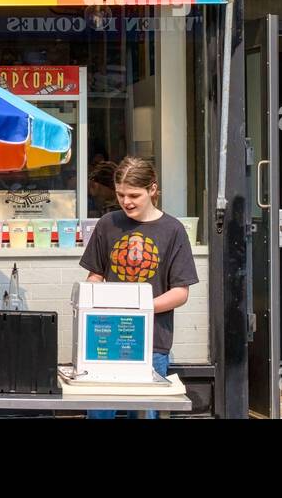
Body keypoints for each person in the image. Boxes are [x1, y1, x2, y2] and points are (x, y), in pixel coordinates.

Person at [79, 156, 198, 418]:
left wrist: (139, 309)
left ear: (152, 189)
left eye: (134, 195)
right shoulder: (107, 224)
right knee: (100, 411)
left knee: (144, 413)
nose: (126, 201)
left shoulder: (173, 230)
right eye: (121, 194)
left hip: (152, 342)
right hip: (106, 338)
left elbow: (181, 292)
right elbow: (96, 275)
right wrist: (90, 297)